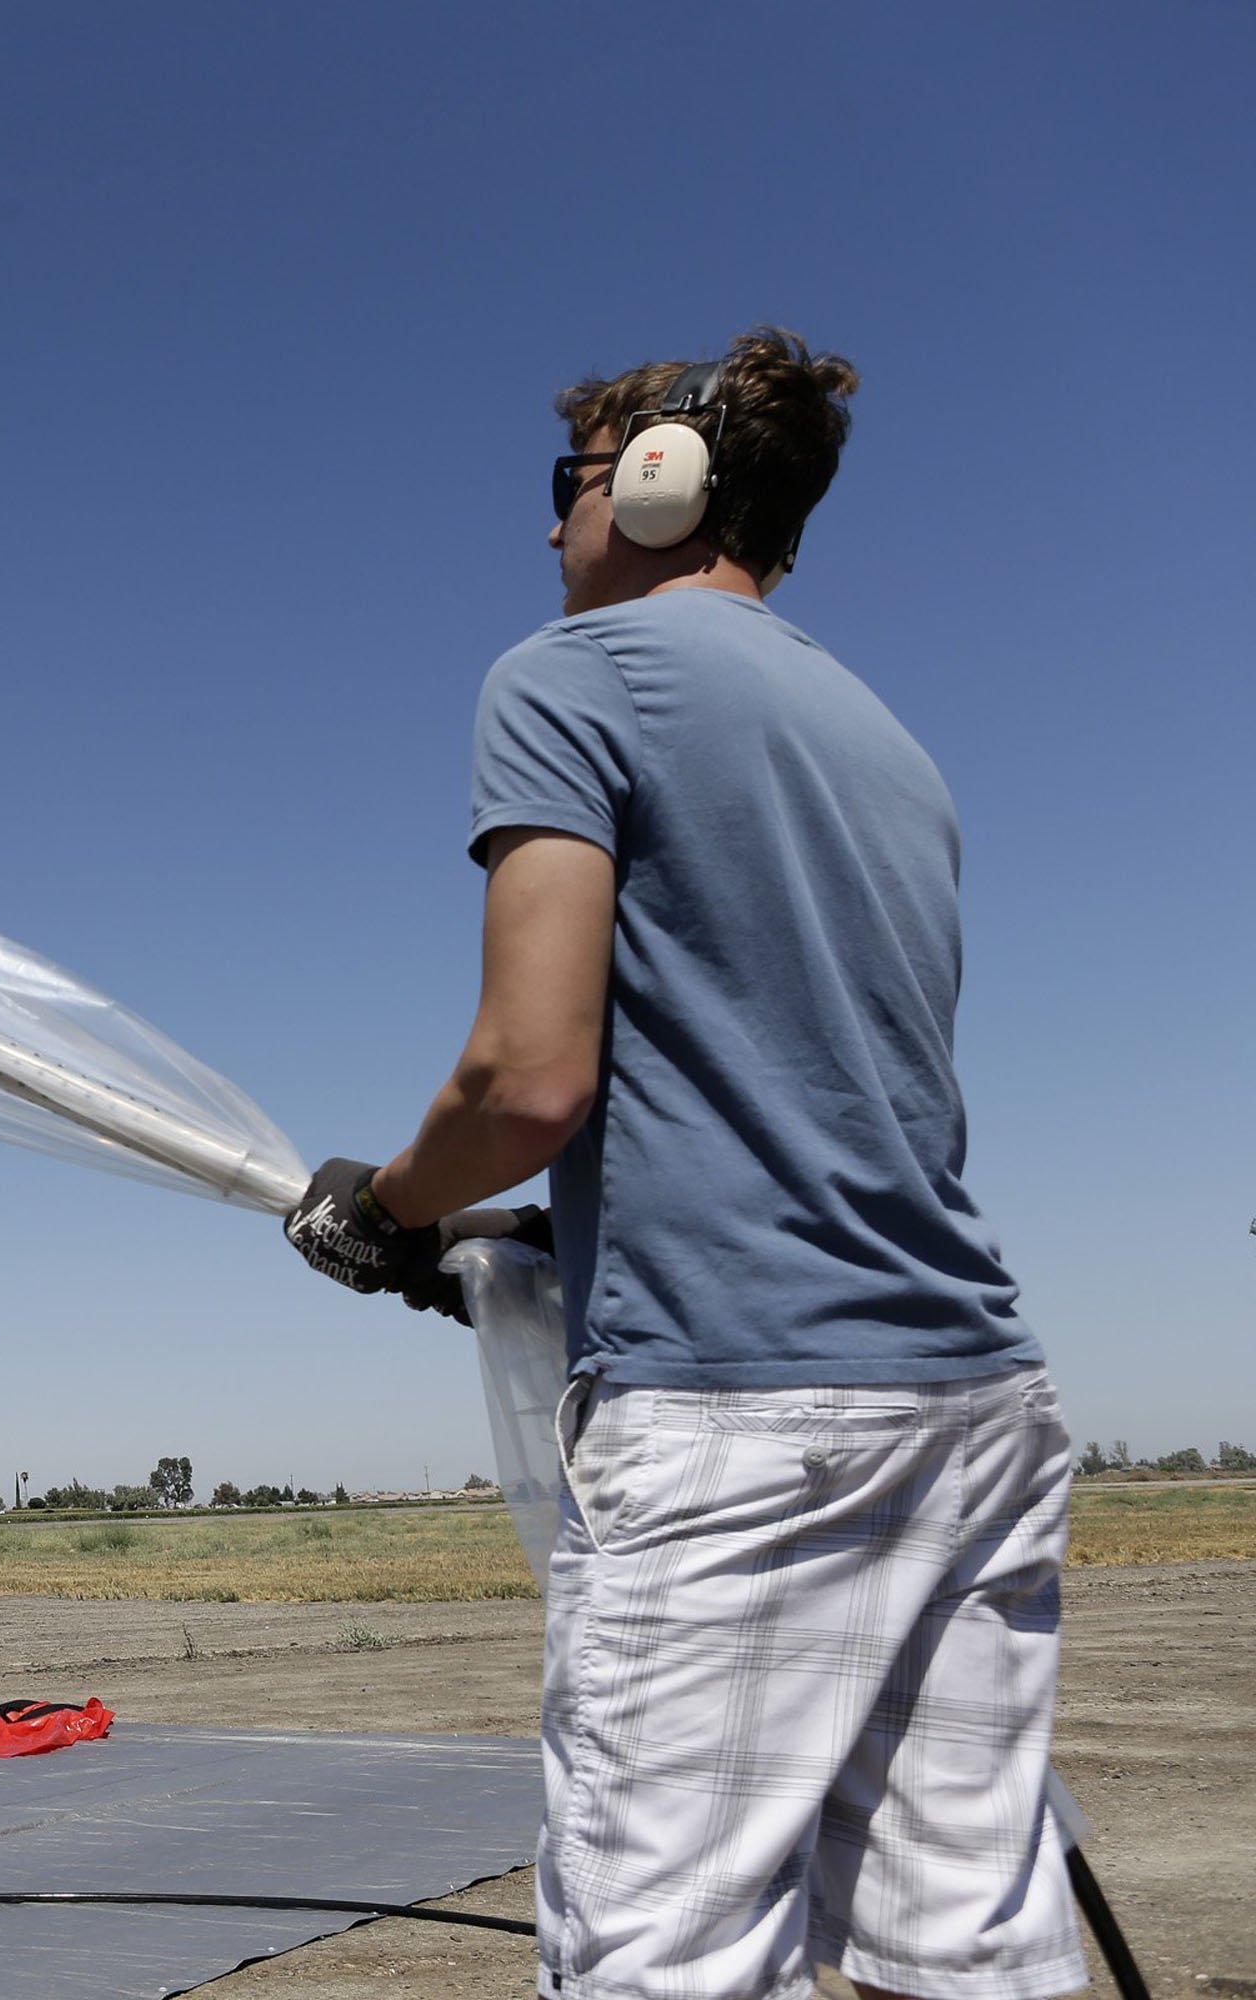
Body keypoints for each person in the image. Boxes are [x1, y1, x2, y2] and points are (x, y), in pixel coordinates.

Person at [283, 329, 1081, 2000]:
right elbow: (790, 1102)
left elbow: (528, 1072)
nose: (551, 531)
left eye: (566, 488)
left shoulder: (569, 676)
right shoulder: (891, 747)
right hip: (976, 1411)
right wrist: (511, 1238)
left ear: (658, 485)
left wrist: (385, 1210)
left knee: (668, 1963)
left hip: (744, 1434)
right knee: (971, 1957)